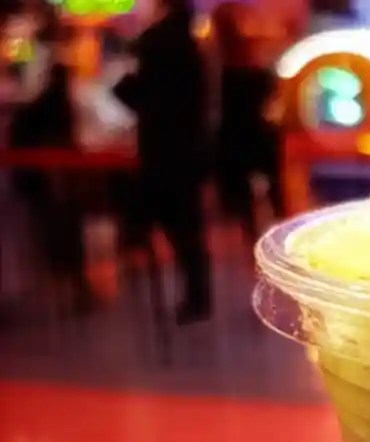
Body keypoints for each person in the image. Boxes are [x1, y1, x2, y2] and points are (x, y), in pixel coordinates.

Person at [114, 0, 212, 324]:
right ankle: (198, 295)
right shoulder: (192, 45)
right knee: (189, 228)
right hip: (188, 149)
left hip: (161, 149)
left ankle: (174, 293)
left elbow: (141, 93)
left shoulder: (155, 44)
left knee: (169, 221)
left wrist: (126, 89)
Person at [8, 24, 91, 313]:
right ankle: (72, 286)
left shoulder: (45, 70)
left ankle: (73, 287)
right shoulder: (50, 69)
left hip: (50, 155)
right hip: (54, 152)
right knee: (62, 224)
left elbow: (36, 108)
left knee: (60, 223)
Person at [211, 2, 283, 245]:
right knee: (268, 188)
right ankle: (272, 238)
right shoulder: (253, 76)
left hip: (240, 131)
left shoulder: (225, 77)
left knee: (247, 195)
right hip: (252, 131)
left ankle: (257, 238)